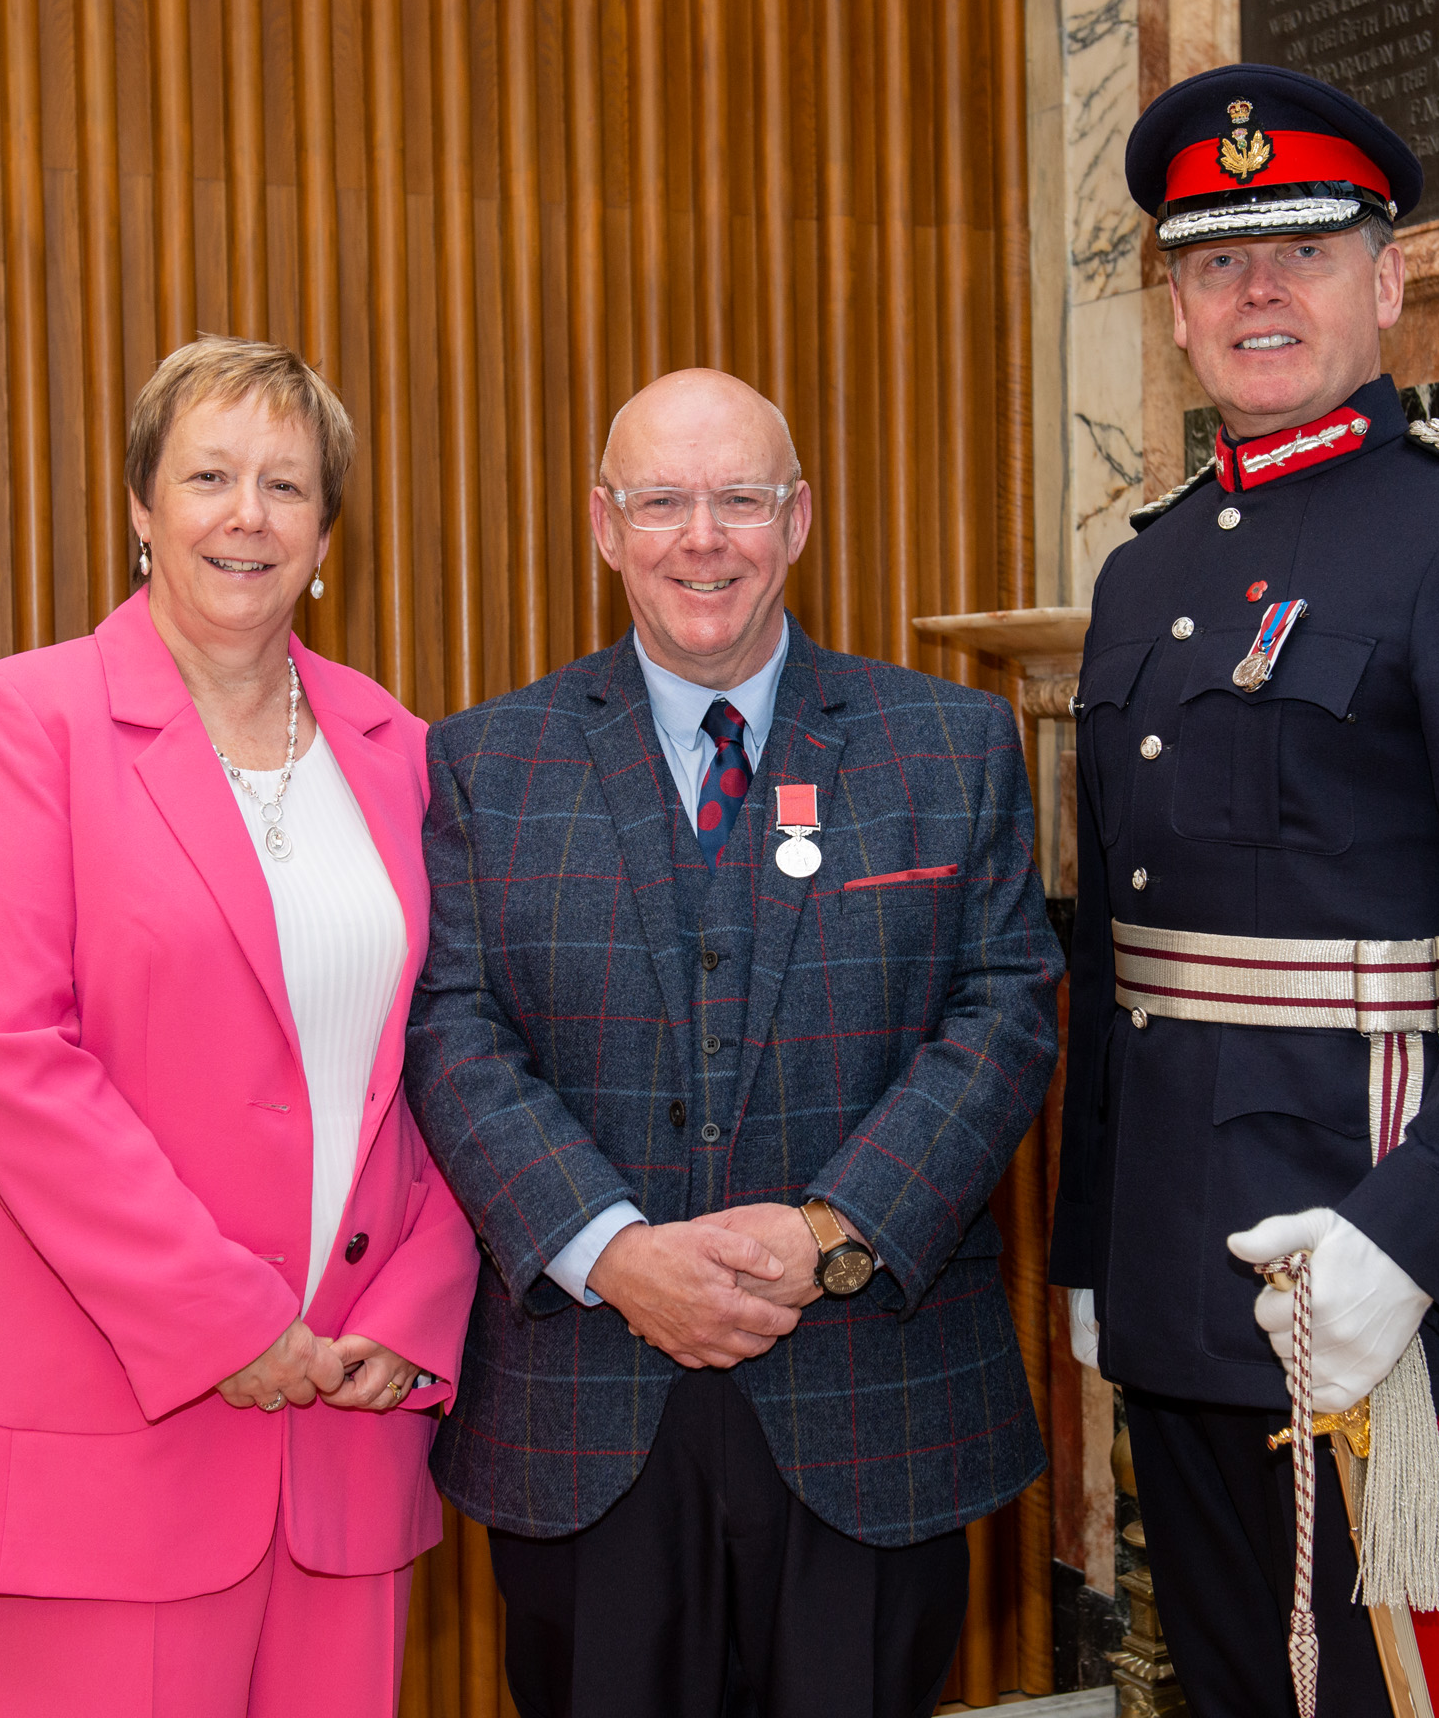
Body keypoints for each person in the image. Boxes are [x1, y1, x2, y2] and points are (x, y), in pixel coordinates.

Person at [1047, 65, 1439, 1718]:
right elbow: (1121, 953)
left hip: (1364, 1272)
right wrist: (1095, 1249)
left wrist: (1406, 1248)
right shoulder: (1146, 569)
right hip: (1175, 1277)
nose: (1258, 288)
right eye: (1216, 258)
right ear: (1173, 307)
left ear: (1387, 277)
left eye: (1303, 247)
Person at [401, 368, 1064, 1718]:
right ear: (605, 526)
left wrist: (833, 1232)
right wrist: (612, 1251)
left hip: (872, 1398)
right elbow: (454, 1026)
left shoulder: (952, 746)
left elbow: (1004, 1010)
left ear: (799, 518)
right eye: (662, 500)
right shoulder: (488, 762)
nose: (701, 537)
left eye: (739, 500)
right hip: (589, 1410)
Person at [0, 336, 479, 1717]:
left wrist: (419, 1308)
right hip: (109, 1429)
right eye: (210, 475)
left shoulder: (401, 751)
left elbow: (466, 1049)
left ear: (327, 533)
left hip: (348, 1418)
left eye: (286, 486)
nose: (247, 515)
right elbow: (3, 1053)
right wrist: (227, 1319)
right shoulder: (24, 722)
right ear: (140, 510)